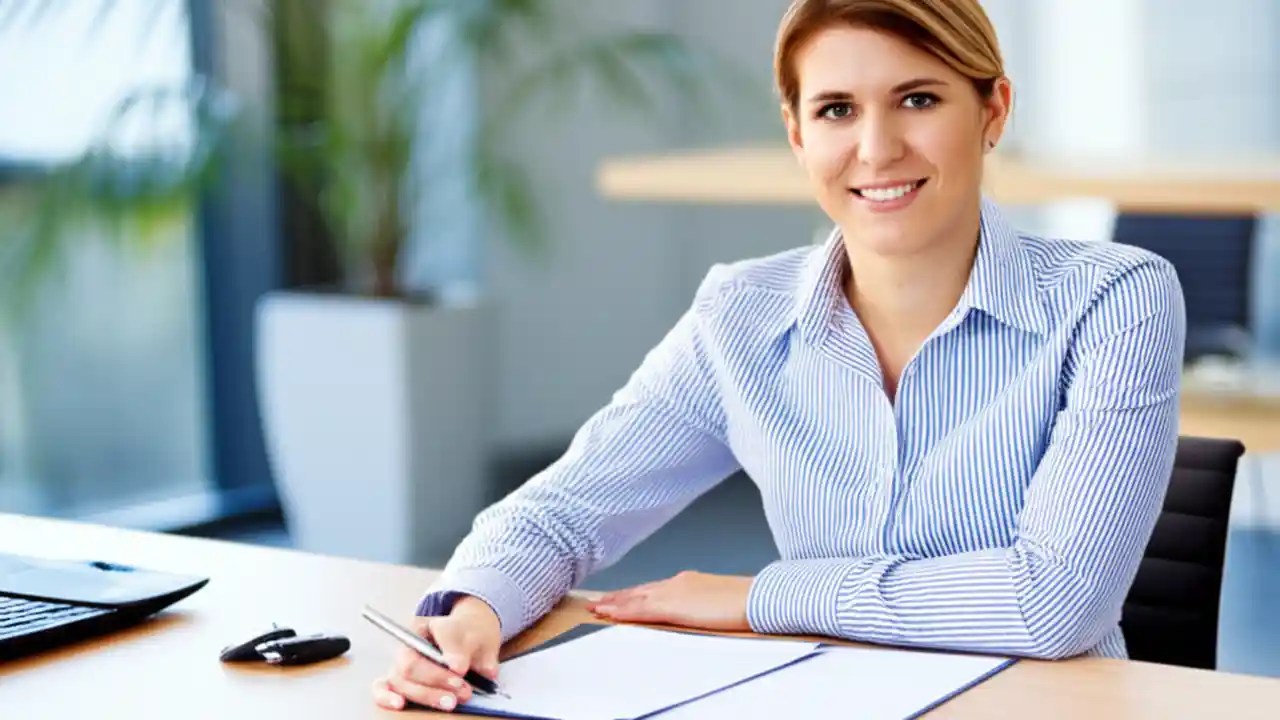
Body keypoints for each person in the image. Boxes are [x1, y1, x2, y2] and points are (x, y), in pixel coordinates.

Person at [373, 0, 1185, 712]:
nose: (875, 148)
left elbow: (1056, 602)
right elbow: (568, 508)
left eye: (918, 98)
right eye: (836, 110)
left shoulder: (1113, 299)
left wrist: (762, 597)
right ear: (797, 132)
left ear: (993, 109)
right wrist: (472, 607)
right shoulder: (741, 315)